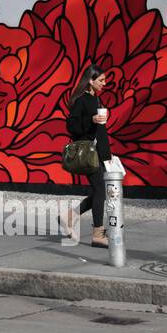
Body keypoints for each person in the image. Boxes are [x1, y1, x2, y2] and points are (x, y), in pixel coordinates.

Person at [65, 64, 111, 248]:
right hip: (86, 153)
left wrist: (107, 154)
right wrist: (89, 120)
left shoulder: (96, 101)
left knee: (101, 190)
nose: (104, 83)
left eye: (105, 80)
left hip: (96, 152)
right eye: (101, 80)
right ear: (90, 81)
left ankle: (70, 216)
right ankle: (98, 234)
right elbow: (72, 127)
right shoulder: (82, 100)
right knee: (101, 190)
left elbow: (100, 132)